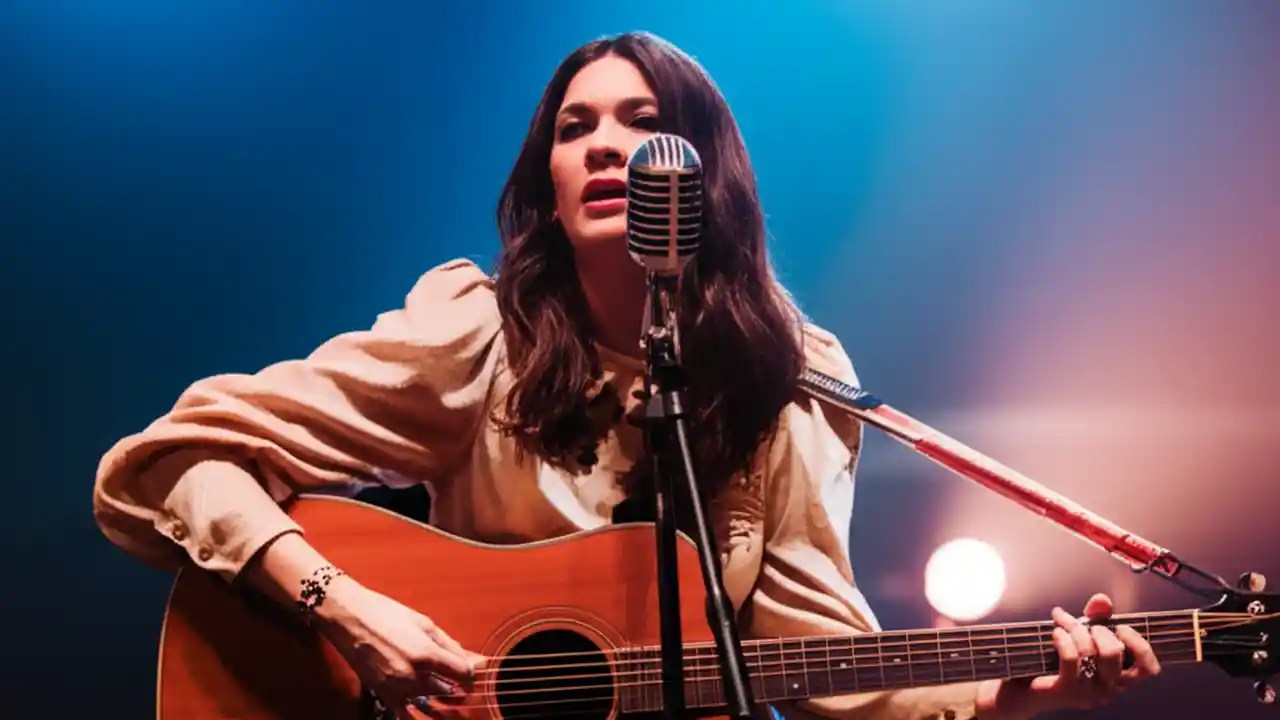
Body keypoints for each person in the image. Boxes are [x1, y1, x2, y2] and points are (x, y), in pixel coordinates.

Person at [92, 31, 1161, 720]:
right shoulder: (474, 335)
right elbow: (166, 467)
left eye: (644, 124)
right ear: (547, 182)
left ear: (707, 170)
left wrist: (1015, 688)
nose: (606, 146)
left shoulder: (794, 384)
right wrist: (347, 609)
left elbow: (819, 662)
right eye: (575, 127)